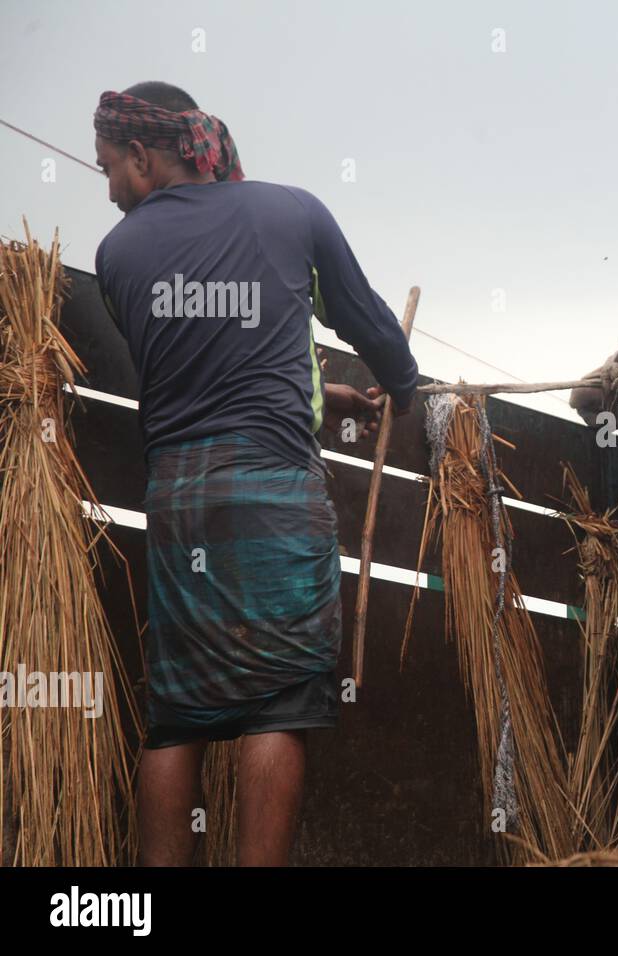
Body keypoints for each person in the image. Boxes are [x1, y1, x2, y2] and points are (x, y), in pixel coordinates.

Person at [92, 81, 419, 865]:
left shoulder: (119, 254)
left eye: (108, 170)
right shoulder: (291, 211)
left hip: (178, 498)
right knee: (278, 704)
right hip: (274, 488)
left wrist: (315, 386)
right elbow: (364, 317)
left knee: (178, 715)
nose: (108, 191)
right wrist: (401, 388)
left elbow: (206, 357)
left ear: (143, 156)